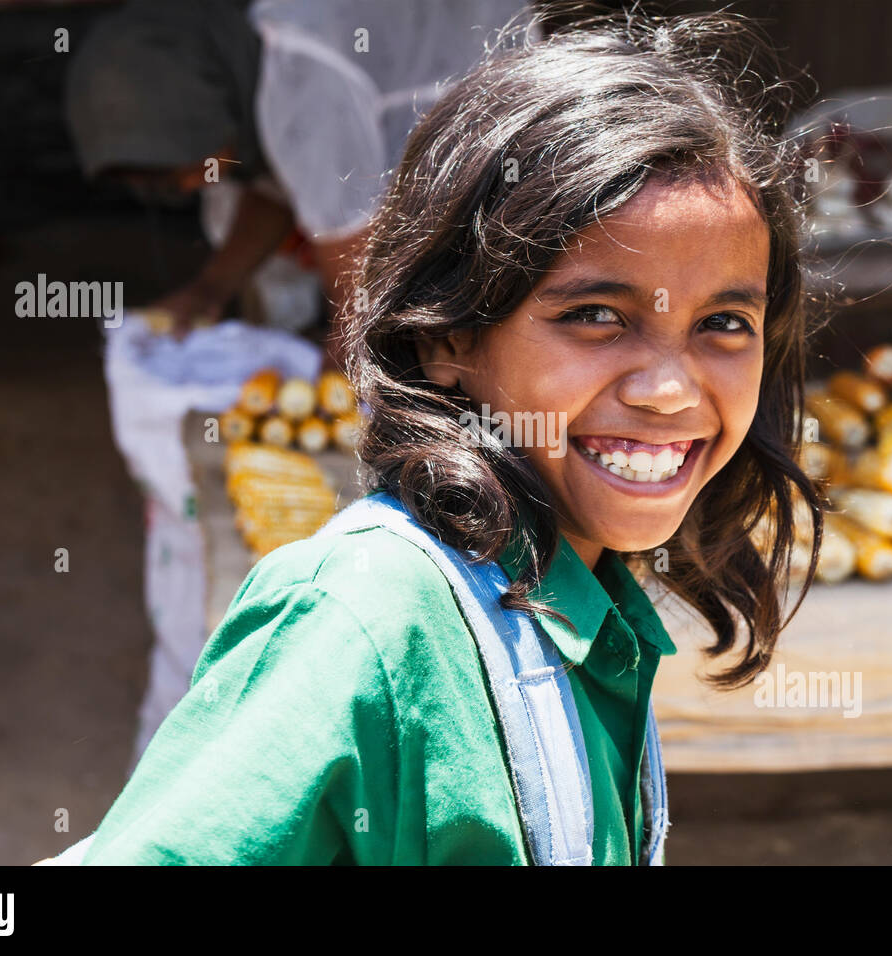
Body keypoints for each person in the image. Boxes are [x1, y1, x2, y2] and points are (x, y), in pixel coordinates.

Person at [69, 7, 823, 865]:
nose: (668, 388)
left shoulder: (590, 602)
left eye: (724, 322)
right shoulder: (368, 620)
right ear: (448, 340)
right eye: (596, 317)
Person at [65, 0, 534, 366]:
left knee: (478, 322)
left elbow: (351, 249)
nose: (189, 185)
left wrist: (344, 360)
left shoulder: (298, 69)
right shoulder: (253, 60)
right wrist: (210, 289)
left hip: (488, 104)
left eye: (180, 163)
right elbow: (283, 186)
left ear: (200, 105)